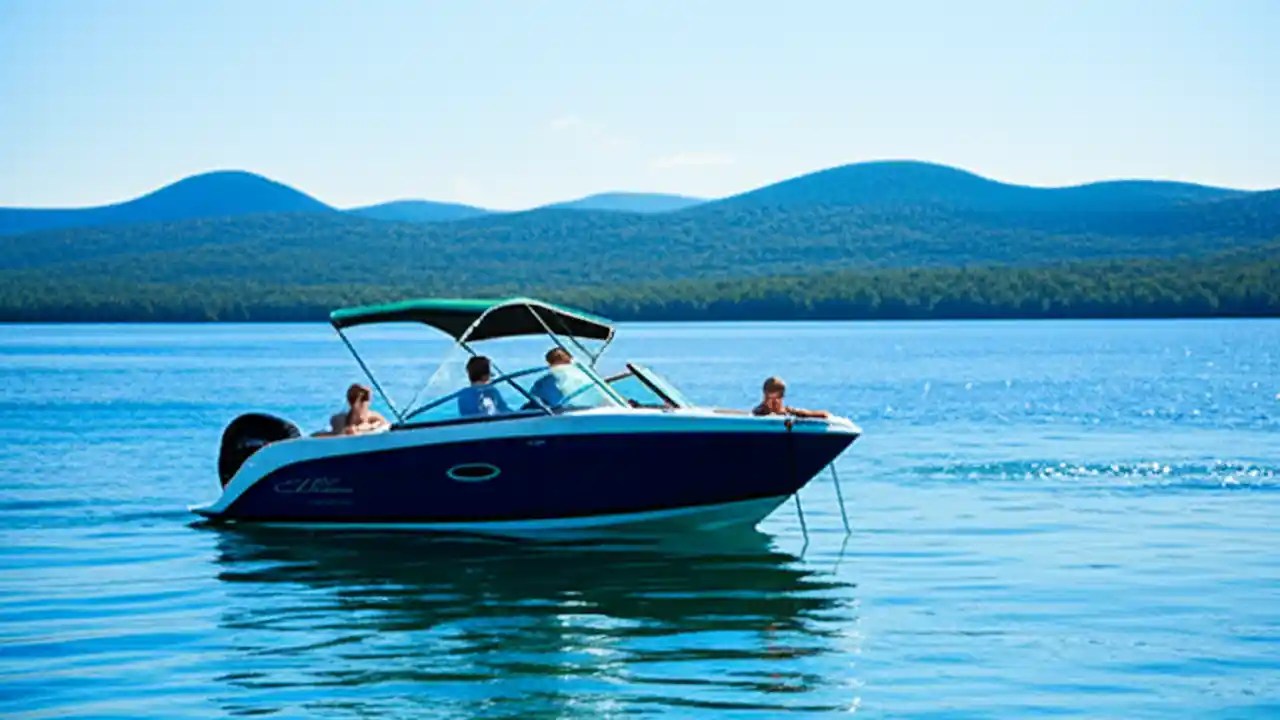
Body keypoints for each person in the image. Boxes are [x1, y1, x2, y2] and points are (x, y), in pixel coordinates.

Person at [316, 383, 389, 436]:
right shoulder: (339, 419)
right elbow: (338, 437)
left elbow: (387, 426)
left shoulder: (374, 417)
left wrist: (366, 428)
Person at [751, 376, 830, 419]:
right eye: (769, 399)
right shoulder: (757, 414)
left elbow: (824, 414)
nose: (773, 403)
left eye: (776, 399)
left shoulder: (788, 412)